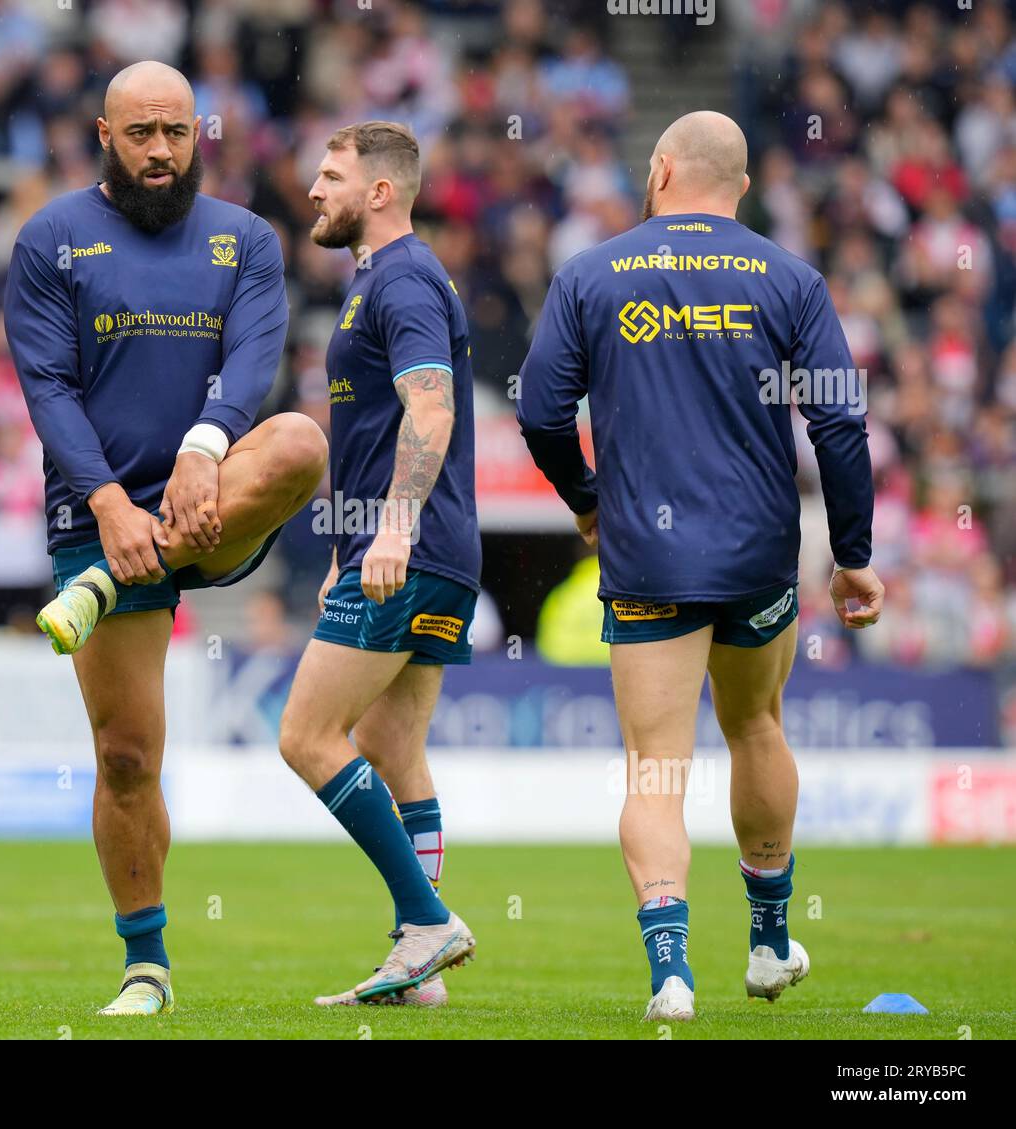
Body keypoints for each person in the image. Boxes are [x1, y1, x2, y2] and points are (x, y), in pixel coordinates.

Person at [517, 110, 884, 1022]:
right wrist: (853, 557)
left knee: (653, 767)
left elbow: (539, 412)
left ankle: (671, 974)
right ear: (745, 185)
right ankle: (767, 943)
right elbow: (839, 422)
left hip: (645, 553)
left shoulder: (591, 271)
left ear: (661, 168)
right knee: (757, 725)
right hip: (759, 551)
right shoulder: (790, 276)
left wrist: (587, 498)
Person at [2, 61, 327, 1017]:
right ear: (105, 135)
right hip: (101, 514)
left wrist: (201, 447)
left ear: (200, 134)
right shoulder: (50, 238)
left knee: (305, 440)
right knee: (129, 755)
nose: (160, 151)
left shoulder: (246, 239)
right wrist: (106, 503)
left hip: (205, 499)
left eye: (176, 133)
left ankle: (105, 580)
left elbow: (255, 356)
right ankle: (148, 966)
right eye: (141, 133)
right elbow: (47, 387)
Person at [278, 122, 481, 1006]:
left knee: (305, 737)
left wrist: (390, 530)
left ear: (382, 191)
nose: (314, 190)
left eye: (331, 176)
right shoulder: (389, 280)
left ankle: (426, 918)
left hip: (410, 547)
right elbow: (369, 433)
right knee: (392, 746)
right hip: (424, 549)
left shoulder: (401, 279)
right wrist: (343, 546)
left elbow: (427, 412)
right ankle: (417, 966)